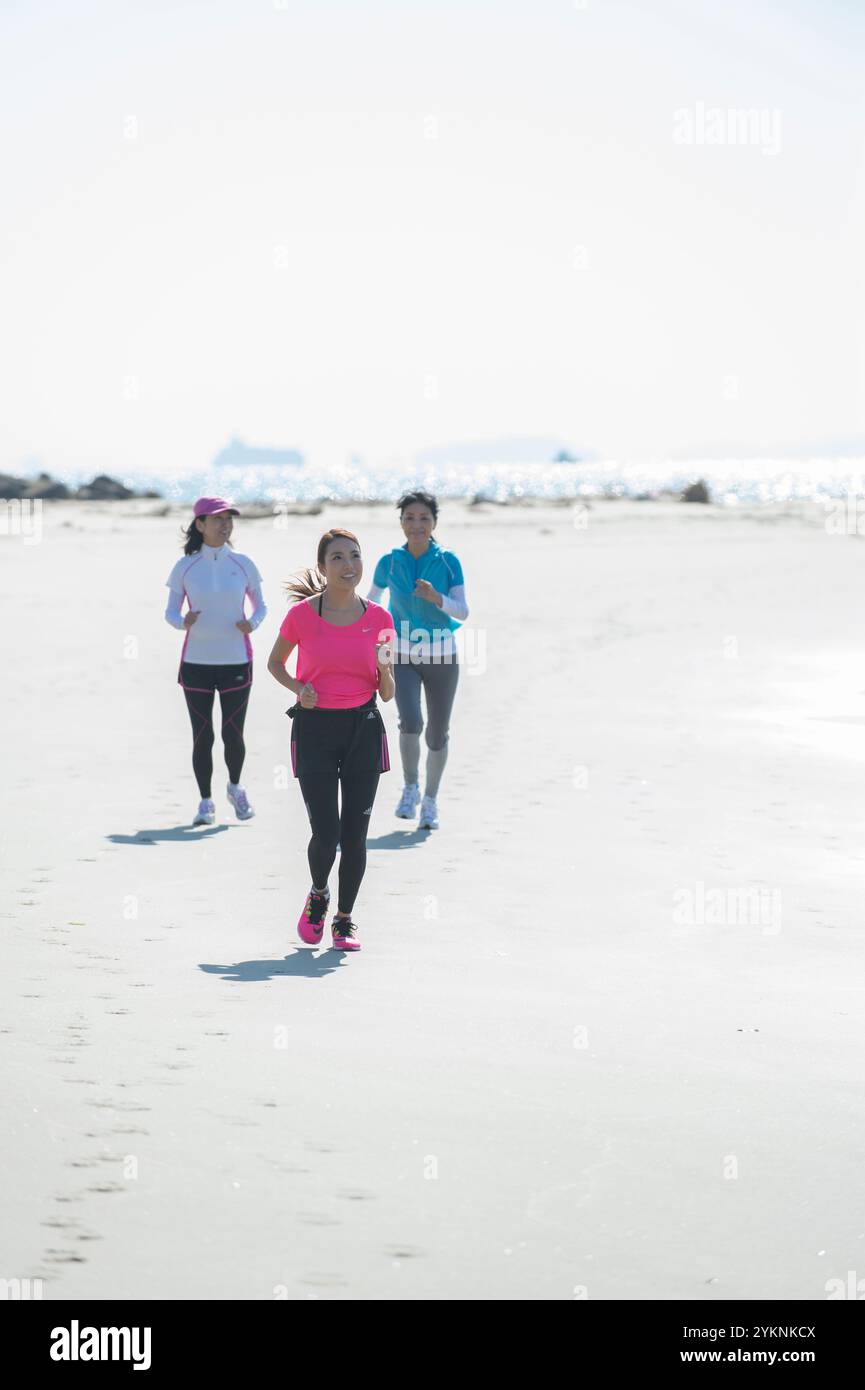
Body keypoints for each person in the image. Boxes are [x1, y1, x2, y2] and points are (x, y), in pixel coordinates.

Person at [267, 528, 395, 952]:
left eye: (355, 556)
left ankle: (344, 920)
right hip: (315, 729)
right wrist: (298, 688)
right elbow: (276, 663)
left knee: (355, 837)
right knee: (326, 833)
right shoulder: (303, 615)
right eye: (337, 558)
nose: (348, 565)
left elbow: (387, 689)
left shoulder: (380, 619)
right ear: (323, 568)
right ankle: (319, 894)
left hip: (363, 728)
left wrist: (387, 672)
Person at [367, 491, 468, 830]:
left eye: (424, 518)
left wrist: (436, 597)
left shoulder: (447, 561)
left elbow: (463, 611)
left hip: (442, 655)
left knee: (437, 734)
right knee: (410, 723)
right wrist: (375, 645)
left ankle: (430, 801)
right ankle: (410, 788)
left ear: (434, 523)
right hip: (402, 654)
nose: (417, 524)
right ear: (401, 523)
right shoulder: (390, 561)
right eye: (409, 518)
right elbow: (372, 603)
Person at [164, 497, 267, 827]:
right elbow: (170, 613)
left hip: (237, 660)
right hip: (196, 661)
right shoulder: (185, 567)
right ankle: (206, 801)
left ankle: (235, 788)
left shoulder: (243, 564)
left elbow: (261, 607)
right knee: (202, 735)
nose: (225, 525)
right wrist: (184, 622)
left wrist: (252, 623)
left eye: (229, 519)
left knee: (233, 733)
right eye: (218, 519)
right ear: (200, 524)